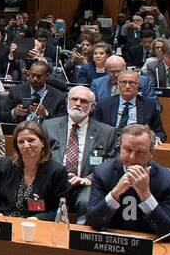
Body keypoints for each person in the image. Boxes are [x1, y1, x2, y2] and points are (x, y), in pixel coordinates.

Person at [85, 124, 170, 237]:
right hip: (112, 243)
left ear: (151, 153)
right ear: (119, 148)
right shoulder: (103, 173)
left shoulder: (169, 181)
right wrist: (115, 193)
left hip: (151, 244)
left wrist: (145, 194)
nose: (132, 157)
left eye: (140, 152)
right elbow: (93, 222)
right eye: (127, 150)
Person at [43, 85, 118, 214]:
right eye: (74, 99)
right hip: (54, 181)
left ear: (92, 106)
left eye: (83, 101)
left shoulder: (107, 132)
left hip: (86, 184)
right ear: (67, 101)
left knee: (86, 203)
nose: (77, 104)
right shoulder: (49, 125)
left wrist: (88, 179)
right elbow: (41, 156)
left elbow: (111, 163)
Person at [0, 120, 70, 220]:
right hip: (5, 222)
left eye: (31, 140)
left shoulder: (57, 172)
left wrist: (37, 219)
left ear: (43, 143)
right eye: (21, 142)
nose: (26, 145)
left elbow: (59, 210)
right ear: (17, 146)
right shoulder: (5, 165)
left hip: (37, 226)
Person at [94, 70, 167, 141]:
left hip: (137, 144)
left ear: (138, 85)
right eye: (123, 82)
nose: (127, 86)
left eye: (131, 83)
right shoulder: (104, 103)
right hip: (110, 144)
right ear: (118, 84)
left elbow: (159, 132)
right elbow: (95, 129)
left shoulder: (149, 105)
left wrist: (156, 139)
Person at [90, 54, 155, 103]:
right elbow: (93, 107)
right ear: (106, 69)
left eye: (118, 71)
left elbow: (154, 105)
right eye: (112, 72)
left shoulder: (143, 81)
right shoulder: (97, 84)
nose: (116, 75)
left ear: (125, 67)